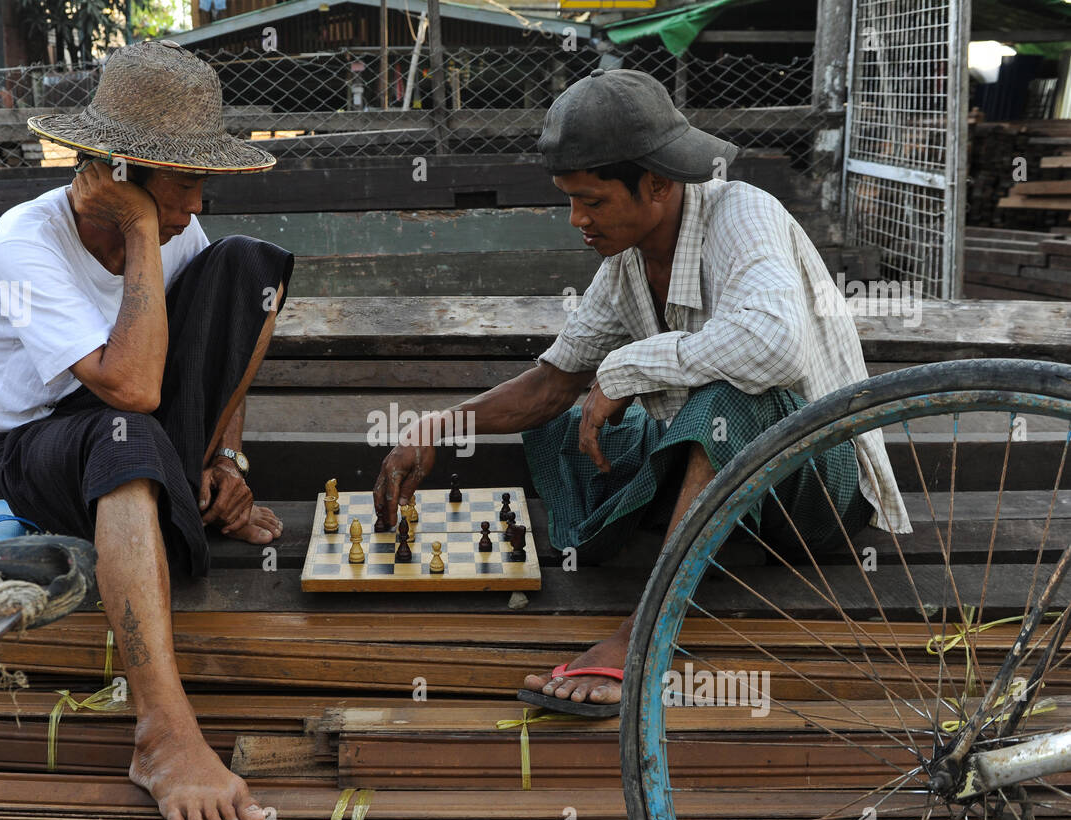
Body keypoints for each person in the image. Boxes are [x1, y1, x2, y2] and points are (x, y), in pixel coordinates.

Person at [372, 68, 912, 716]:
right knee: (561, 429)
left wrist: (627, 368)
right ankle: (684, 534)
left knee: (722, 402)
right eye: (570, 199)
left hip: (821, 490)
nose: (577, 219)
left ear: (656, 184)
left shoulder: (741, 214)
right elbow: (553, 382)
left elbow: (776, 346)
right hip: (740, 481)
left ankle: (648, 629)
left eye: (592, 200)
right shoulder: (626, 262)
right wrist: (435, 427)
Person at [0, 41, 294, 820]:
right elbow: (135, 390)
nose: (196, 206)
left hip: (136, 428)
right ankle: (161, 732)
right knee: (123, 432)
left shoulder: (183, 229)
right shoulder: (26, 244)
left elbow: (214, 338)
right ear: (118, 171)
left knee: (250, 266)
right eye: (182, 184)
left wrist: (222, 456)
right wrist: (144, 230)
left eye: (199, 183)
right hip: (44, 446)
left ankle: (186, 497)